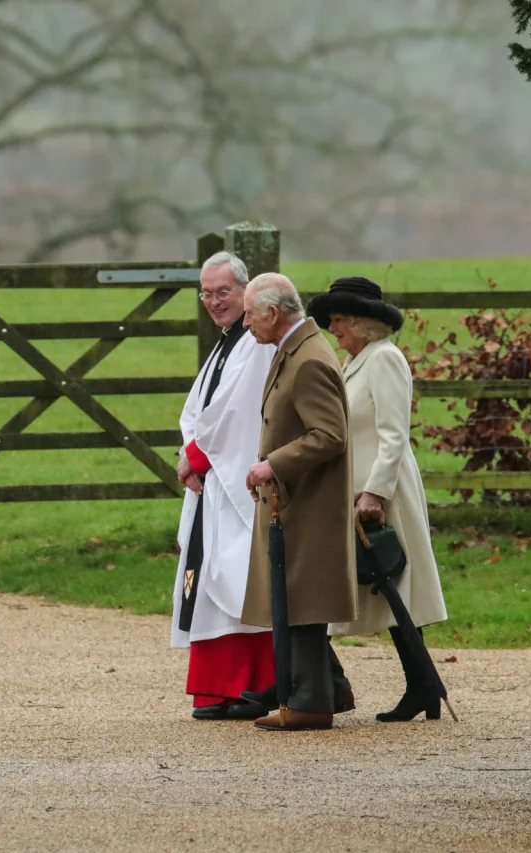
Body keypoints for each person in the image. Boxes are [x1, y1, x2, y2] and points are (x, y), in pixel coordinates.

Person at [308, 276, 449, 722]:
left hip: (386, 490)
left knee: (394, 583)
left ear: (361, 322)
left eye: (338, 319)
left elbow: (393, 434)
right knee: (387, 588)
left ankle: (423, 686)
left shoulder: (385, 359)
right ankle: (425, 685)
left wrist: (375, 491)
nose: (332, 328)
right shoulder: (358, 361)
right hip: (362, 489)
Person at [240, 272, 358, 732]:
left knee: (300, 596)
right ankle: (330, 686)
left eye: (250, 314)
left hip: (307, 501)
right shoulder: (295, 349)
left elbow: (330, 435)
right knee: (293, 593)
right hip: (297, 499)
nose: (246, 323)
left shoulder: (307, 358)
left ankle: (310, 702)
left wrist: (274, 464)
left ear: (271, 312)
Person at [171, 251, 277, 721]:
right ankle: (219, 688)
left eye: (224, 293)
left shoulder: (256, 341)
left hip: (238, 480)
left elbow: (238, 412)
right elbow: (198, 410)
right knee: (212, 578)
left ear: (244, 290)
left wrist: (195, 456)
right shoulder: (225, 342)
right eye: (207, 294)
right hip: (212, 481)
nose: (214, 302)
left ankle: (250, 685)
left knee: (237, 579)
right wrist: (186, 453)